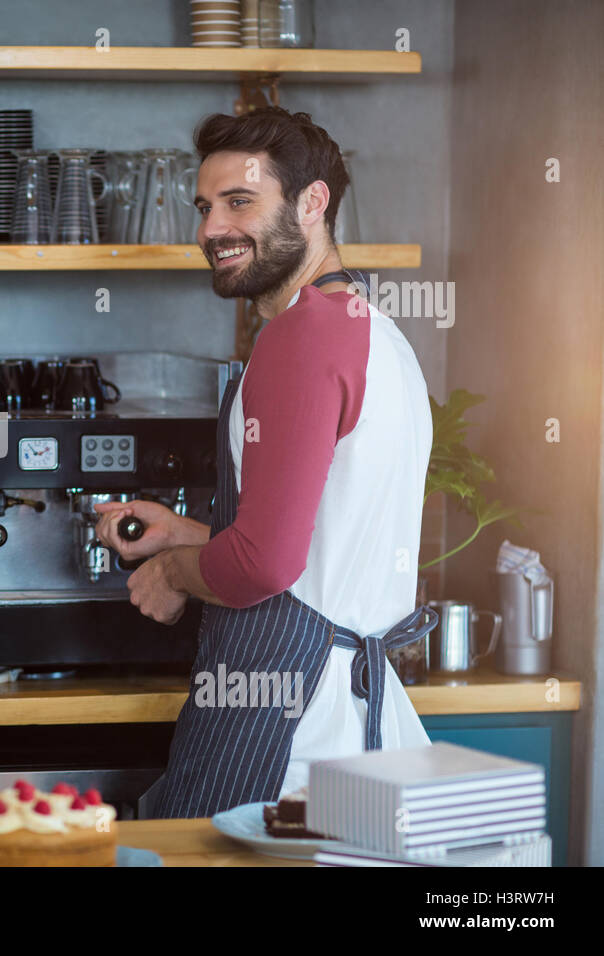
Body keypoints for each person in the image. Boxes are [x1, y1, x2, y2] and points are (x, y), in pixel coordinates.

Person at [95, 107, 438, 817]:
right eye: (204, 206)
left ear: (313, 204)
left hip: (288, 726)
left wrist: (168, 572)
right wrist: (189, 536)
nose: (210, 230)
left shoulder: (301, 335)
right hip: (350, 714)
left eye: (240, 202)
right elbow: (324, 554)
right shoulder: (373, 330)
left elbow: (262, 567)